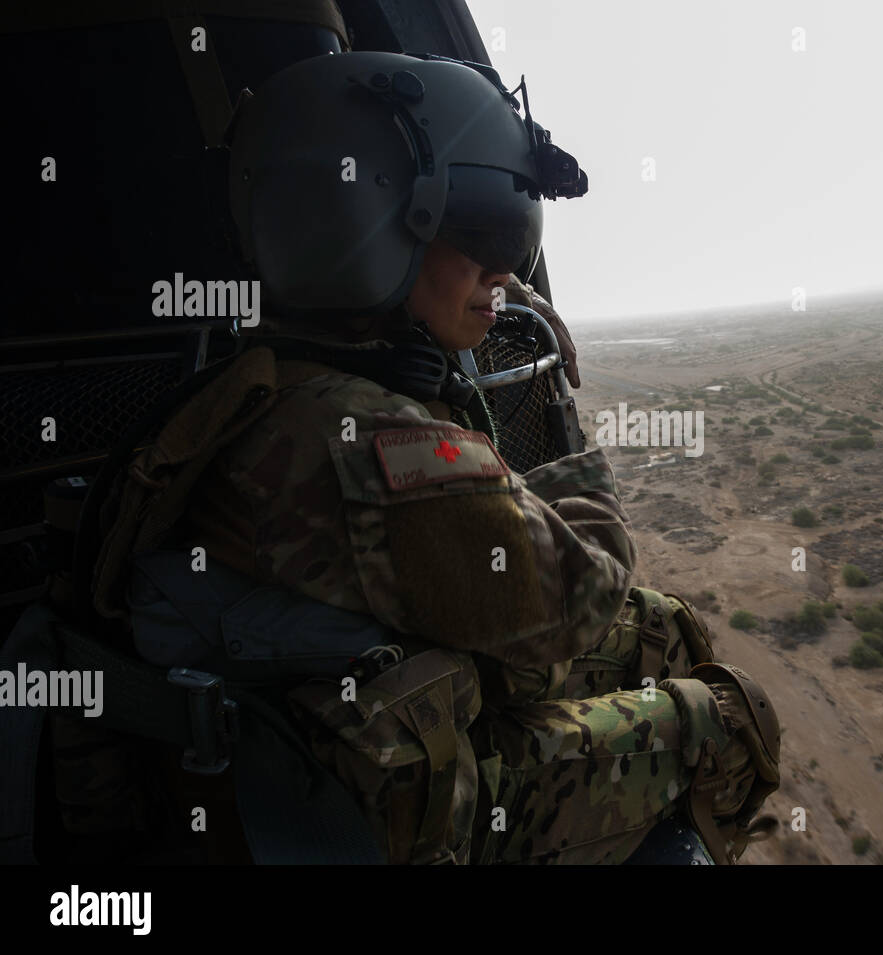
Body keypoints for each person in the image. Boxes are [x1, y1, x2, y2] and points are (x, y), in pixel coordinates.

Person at [72, 50, 779, 865]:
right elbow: (582, 594)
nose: (505, 267)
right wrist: (573, 444)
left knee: (661, 627)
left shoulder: (273, 381)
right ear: (362, 233)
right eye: (482, 232)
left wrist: (483, 295)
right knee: (735, 714)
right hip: (381, 813)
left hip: (335, 741)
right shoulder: (366, 443)